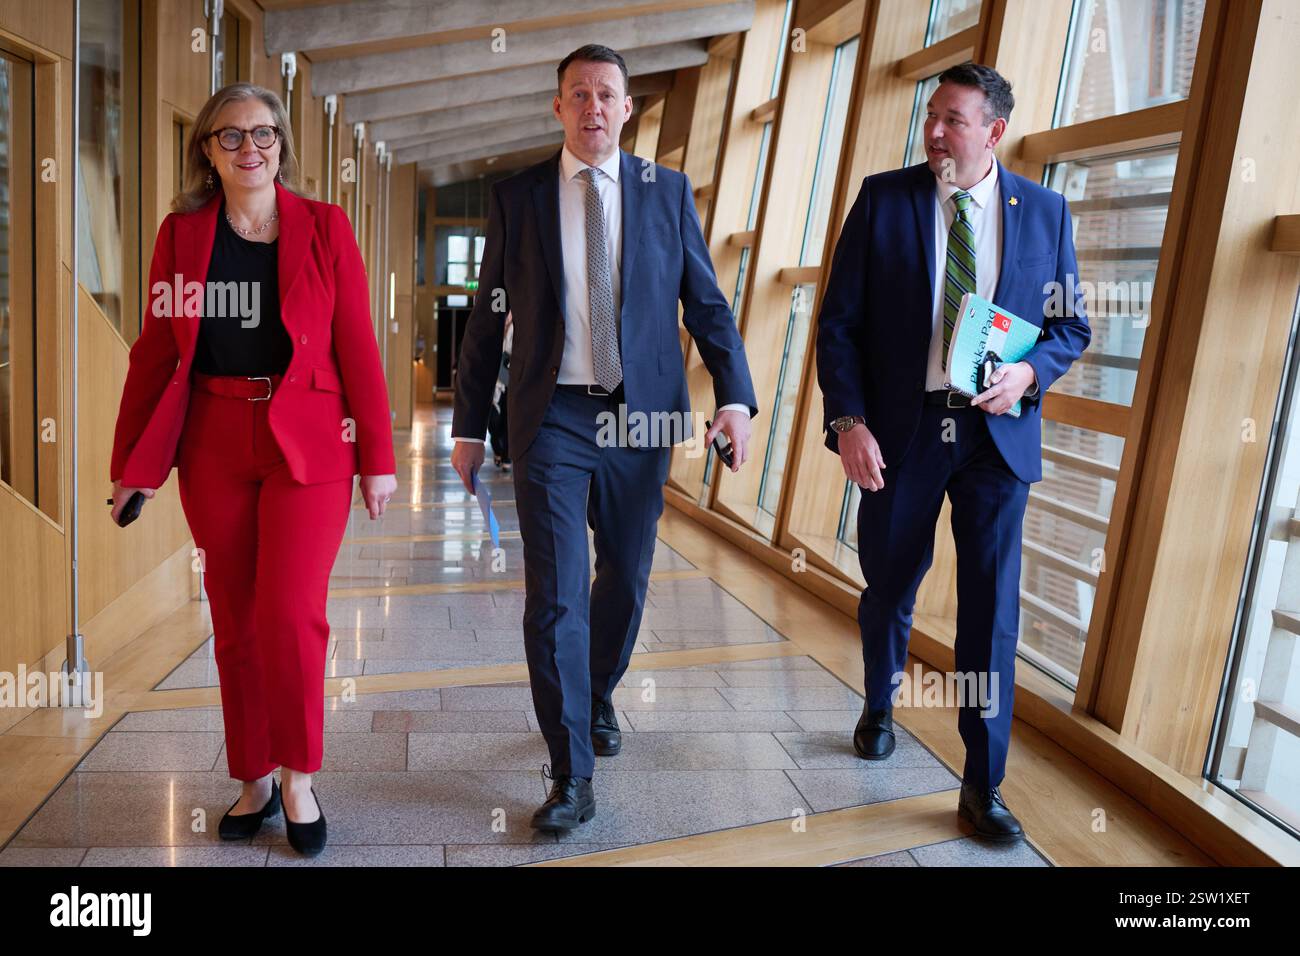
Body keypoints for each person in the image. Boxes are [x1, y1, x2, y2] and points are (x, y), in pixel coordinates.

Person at [451, 44, 758, 831]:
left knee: (624, 574)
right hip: (552, 414)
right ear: (557, 107)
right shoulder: (518, 195)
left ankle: (598, 691)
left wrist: (737, 400)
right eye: (578, 94)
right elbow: (487, 314)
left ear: (626, 108)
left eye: (606, 95)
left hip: (642, 414)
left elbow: (708, 304)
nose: (593, 107)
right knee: (555, 594)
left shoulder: (666, 192)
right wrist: (467, 428)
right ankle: (569, 773)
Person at [108, 82, 397, 856]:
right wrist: (130, 464)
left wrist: (378, 457)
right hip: (212, 440)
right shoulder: (182, 234)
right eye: (230, 136)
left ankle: (300, 776)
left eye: (263, 134)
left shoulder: (326, 227)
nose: (249, 148)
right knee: (234, 619)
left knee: (290, 611)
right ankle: (254, 778)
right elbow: (155, 352)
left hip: (308, 439)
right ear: (207, 150)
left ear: (281, 146)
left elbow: (358, 346)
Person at [815, 64, 1090, 842]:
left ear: (994, 132)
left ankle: (981, 782)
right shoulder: (884, 198)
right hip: (902, 433)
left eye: (954, 120)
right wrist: (849, 423)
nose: (934, 132)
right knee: (890, 584)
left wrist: (1031, 372)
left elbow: (1070, 325)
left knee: (991, 612)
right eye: (931, 117)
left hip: (993, 440)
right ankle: (879, 701)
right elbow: (838, 325)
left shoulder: (1044, 213)